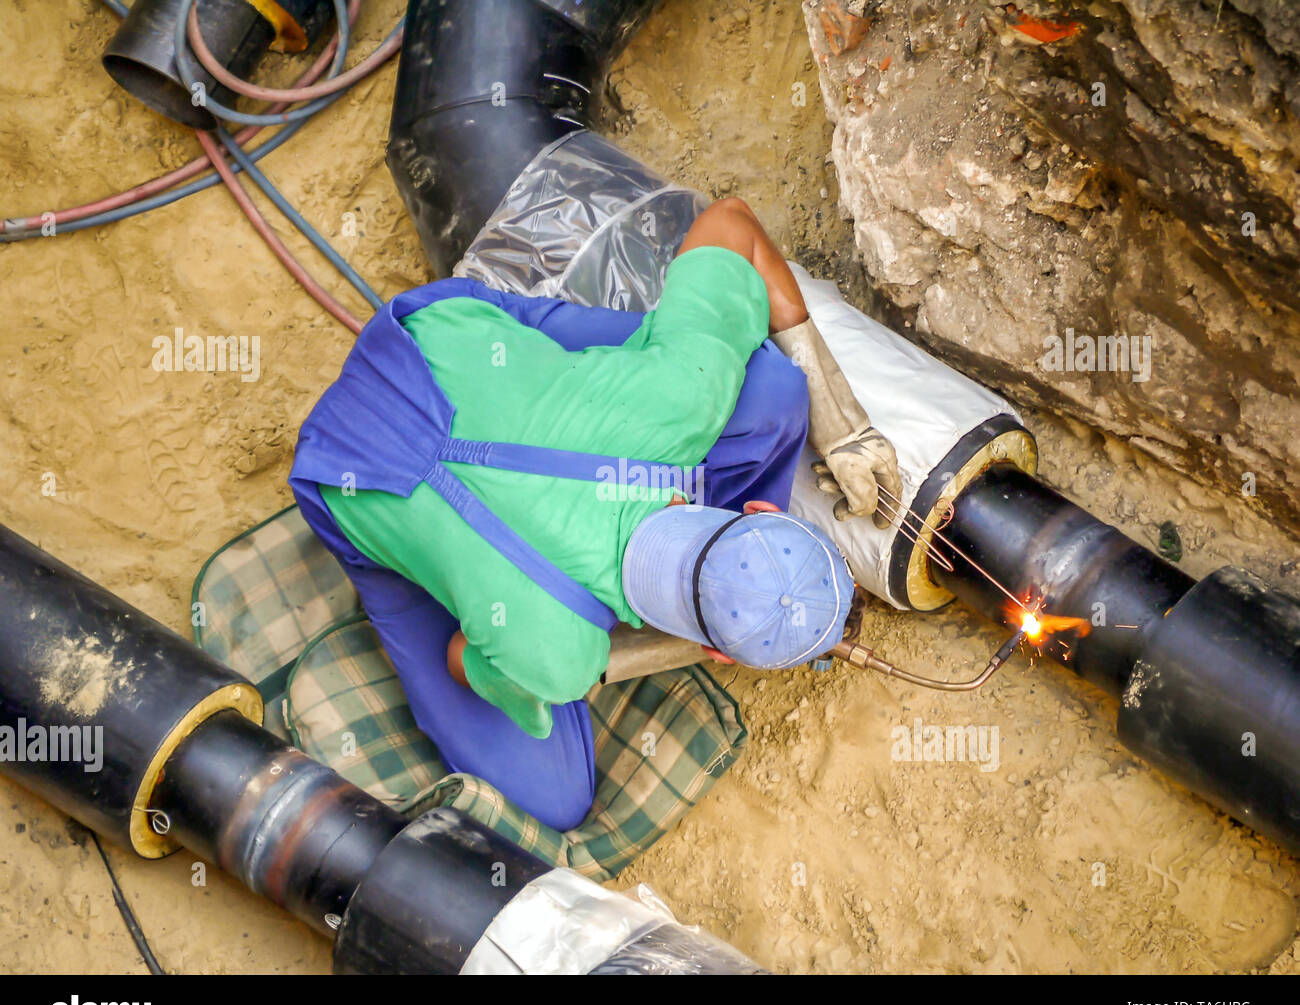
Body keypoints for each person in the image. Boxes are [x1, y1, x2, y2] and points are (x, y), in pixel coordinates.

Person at [290, 197, 902, 830]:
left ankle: (463, 529)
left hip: (444, 345)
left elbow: (731, 223)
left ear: (754, 508)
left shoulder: (679, 400)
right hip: (342, 479)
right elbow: (458, 656)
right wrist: (599, 655)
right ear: (715, 653)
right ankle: (403, 558)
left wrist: (837, 420)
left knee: (772, 389)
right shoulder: (556, 661)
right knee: (557, 798)